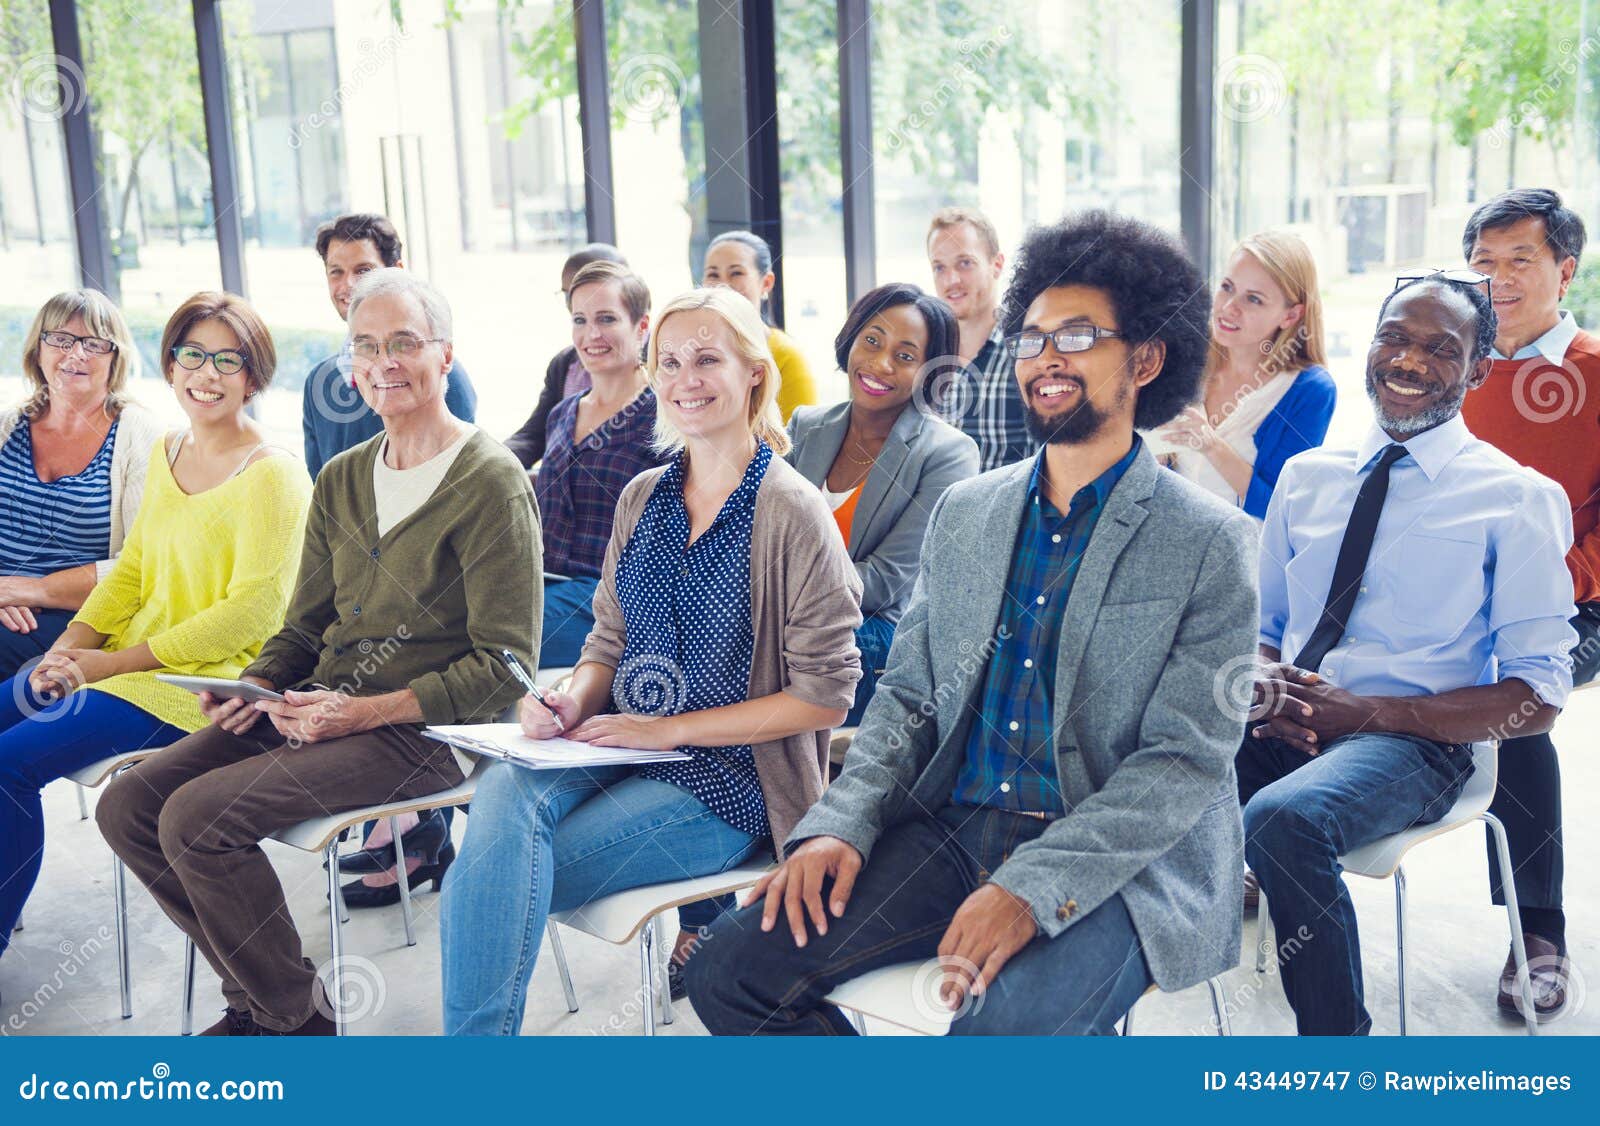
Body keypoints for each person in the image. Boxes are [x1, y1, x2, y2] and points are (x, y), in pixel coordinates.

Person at [687, 211, 1259, 1036]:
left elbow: (1183, 762)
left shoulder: (1209, 541)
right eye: (1031, 339)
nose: (1046, 358)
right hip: (955, 827)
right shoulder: (969, 512)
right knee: (727, 971)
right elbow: (907, 696)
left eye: (1077, 336)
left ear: (1145, 359)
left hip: (1116, 859)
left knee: (995, 1036)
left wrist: (1030, 887)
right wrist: (841, 822)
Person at [97, 270, 539, 1035]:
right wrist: (255, 684)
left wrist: (361, 713)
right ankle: (269, 1003)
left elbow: (507, 667)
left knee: (198, 819)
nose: (383, 362)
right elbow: (303, 626)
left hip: (427, 734)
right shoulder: (342, 477)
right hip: (318, 710)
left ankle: (290, 1021)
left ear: (445, 355)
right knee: (129, 806)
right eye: (365, 346)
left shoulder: (490, 482)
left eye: (404, 343)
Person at [441, 286, 862, 1035]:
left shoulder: (791, 509)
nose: (684, 379)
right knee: (503, 793)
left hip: (731, 781)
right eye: (668, 362)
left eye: (706, 360)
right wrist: (572, 699)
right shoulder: (643, 496)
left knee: (487, 881)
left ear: (754, 373)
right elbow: (606, 639)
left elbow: (826, 697)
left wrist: (667, 731)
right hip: (616, 745)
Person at [1241, 274, 1576, 1036]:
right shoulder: (1307, 477)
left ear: (1478, 370)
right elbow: (1267, 624)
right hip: (1287, 721)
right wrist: (1262, 681)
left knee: (1283, 819)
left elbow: (1539, 696)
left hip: (1415, 745)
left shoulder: (1515, 497)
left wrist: (1367, 712)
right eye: (1394, 337)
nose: (1409, 361)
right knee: (1137, 754)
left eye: (1440, 349)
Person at [2, 292, 310, 961]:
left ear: (254, 377)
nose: (206, 374)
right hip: (123, 666)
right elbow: (132, 574)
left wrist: (106, 665)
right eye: (192, 355)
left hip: (195, 687)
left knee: (7, 767)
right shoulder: (171, 451)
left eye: (227, 360)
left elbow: (251, 615)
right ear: (169, 366)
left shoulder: (274, 475)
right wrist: (67, 648)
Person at [1460, 188, 1596, 1017]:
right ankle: (1278, 852)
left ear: (1565, 271)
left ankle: (1538, 930)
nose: (1499, 280)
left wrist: (1551, 581)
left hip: (1576, 602)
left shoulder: (1594, 371)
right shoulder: (1456, 364)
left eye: (1521, 261)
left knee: (1515, 701)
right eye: (1485, 264)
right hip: (1457, 598)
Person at [787, 283, 978, 726]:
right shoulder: (806, 426)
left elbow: (885, 582)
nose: (881, 363)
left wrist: (778, 595)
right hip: (790, 621)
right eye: (872, 341)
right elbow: (757, 535)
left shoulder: (948, 453)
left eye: (905, 356)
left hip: (871, 634)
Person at [0, 290, 165, 678]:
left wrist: (32, 589)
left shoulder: (141, 436)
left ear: (115, 357)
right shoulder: (8, 426)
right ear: (38, 349)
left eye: (93, 344)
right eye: (60, 339)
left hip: (81, 619)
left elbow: (146, 564)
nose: (75, 354)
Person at [536, 260, 671, 668]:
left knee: (489, 636)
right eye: (580, 320)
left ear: (642, 327)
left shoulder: (665, 416)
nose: (591, 334)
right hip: (544, 584)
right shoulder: (562, 413)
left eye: (607, 319)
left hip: (612, 600)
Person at [1153, 231, 1336, 517]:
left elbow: (1279, 506)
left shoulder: (1309, 390)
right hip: (1174, 533)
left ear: (1290, 315)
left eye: (1253, 299)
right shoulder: (1189, 353)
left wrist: (1210, 444)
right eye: (1227, 287)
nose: (1229, 308)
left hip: (1244, 542)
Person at [302, 212, 478, 477]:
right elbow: (319, 486)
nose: (348, 285)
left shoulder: (440, 376)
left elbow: (463, 470)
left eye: (363, 271)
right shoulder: (319, 382)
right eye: (336, 272)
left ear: (397, 272)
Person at [926, 206, 1035, 470]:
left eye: (965, 263)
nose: (951, 280)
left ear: (996, 265)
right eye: (939, 267)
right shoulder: (924, 352)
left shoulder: (1028, 352)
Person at [505, 242, 629, 469]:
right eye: (570, 295)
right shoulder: (564, 365)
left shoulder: (663, 364)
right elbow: (534, 436)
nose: (578, 303)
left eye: (606, 317)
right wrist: (490, 462)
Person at [702, 230, 818, 420]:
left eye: (736, 273)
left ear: (766, 283)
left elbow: (801, 435)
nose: (722, 285)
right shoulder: (689, 351)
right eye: (713, 274)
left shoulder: (786, 356)